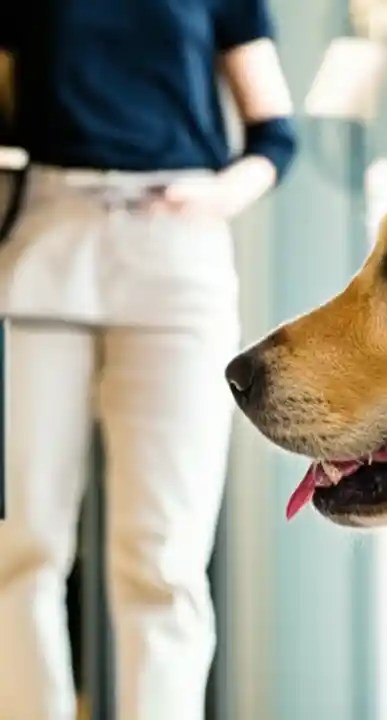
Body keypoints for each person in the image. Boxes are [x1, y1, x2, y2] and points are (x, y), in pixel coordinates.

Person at [0, 2, 296, 718]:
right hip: (45, 239)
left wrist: (219, 194)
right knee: (20, 544)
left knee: (164, 557)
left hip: (177, 250)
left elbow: (275, 134)